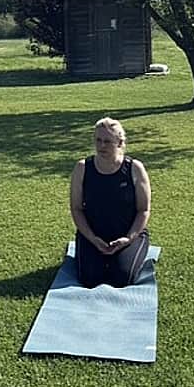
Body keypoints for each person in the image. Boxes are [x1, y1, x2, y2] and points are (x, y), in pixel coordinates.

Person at [69, 117, 152, 288]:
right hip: (93, 235)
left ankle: (124, 254)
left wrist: (128, 238)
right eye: (98, 140)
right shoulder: (82, 168)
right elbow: (76, 209)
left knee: (122, 279)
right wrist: (92, 238)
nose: (102, 146)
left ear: (120, 143)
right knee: (89, 279)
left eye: (107, 141)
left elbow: (143, 210)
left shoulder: (134, 168)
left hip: (128, 234)